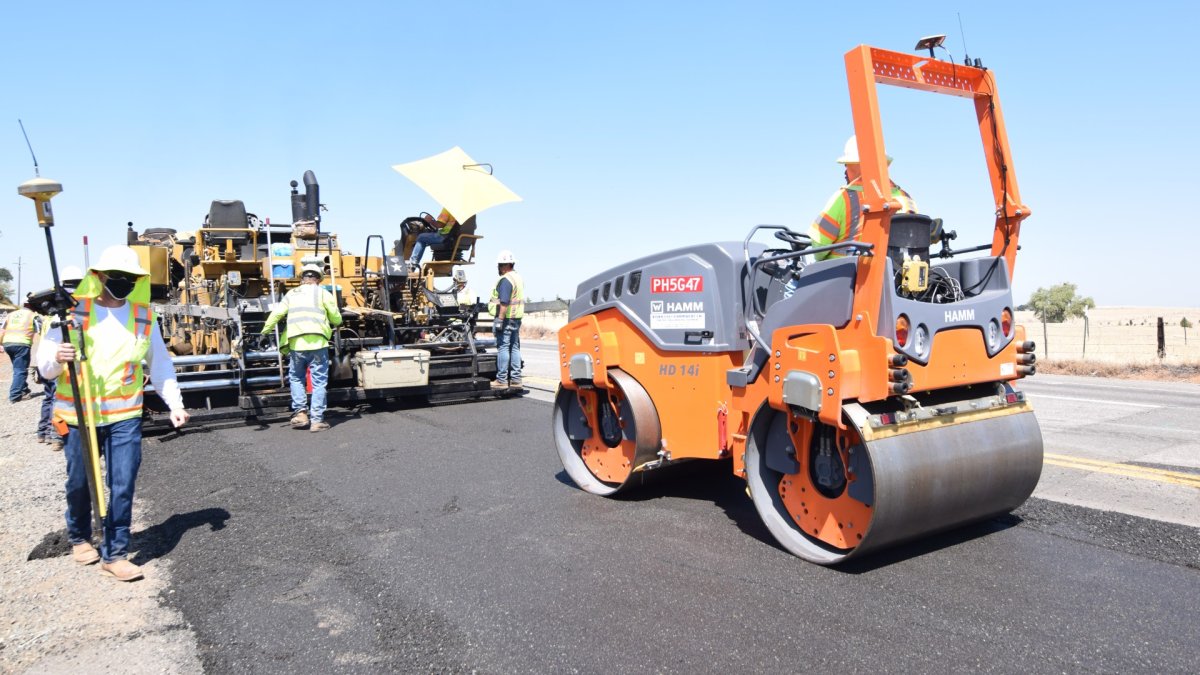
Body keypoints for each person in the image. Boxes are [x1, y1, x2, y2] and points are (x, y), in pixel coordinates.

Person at [37, 246, 189, 582]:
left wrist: (175, 405)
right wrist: (58, 357)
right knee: (80, 482)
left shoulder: (143, 316)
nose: (123, 282)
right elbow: (45, 370)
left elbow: (160, 366)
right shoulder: (72, 314)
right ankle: (79, 536)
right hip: (79, 416)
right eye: (116, 277)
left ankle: (115, 552)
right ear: (100, 277)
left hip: (124, 416)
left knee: (122, 483)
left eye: (130, 278)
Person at [260, 263, 343, 432]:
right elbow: (336, 319)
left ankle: (301, 414)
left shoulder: (291, 294)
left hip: (296, 344)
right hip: (318, 344)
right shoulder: (323, 293)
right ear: (318, 279)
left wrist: (265, 331)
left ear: (302, 278)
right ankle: (317, 420)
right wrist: (335, 321)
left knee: (297, 378)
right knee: (319, 381)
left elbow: (276, 314)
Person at [808, 135, 918, 261]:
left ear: (856, 166)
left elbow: (819, 248)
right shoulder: (906, 198)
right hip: (897, 275)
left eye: (846, 165)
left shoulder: (844, 198)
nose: (845, 171)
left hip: (848, 276)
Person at [35, 266, 84, 451]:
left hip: (52, 360)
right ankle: (57, 436)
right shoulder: (68, 312)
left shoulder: (49, 313)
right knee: (59, 403)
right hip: (60, 363)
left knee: (50, 400)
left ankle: (44, 433)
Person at [488, 250, 524, 390]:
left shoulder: (506, 279)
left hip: (506, 318)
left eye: (499, 265)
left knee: (503, 347)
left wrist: (499, 320)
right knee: (514, 347)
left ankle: (502, 379)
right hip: (516, 318)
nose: (498, 268)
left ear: (504, 265)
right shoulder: (518, 278)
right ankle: (516, 379)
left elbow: (504, 302)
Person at [2, 296, 37, 402]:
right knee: (20, 370)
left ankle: (24, 390)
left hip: (7, 344)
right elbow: (41, 331)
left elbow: (2, 330)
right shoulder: (33, 315)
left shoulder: (11, 314)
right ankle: (15, 395)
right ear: (31, 305)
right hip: (22, 344)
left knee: (18, 369)